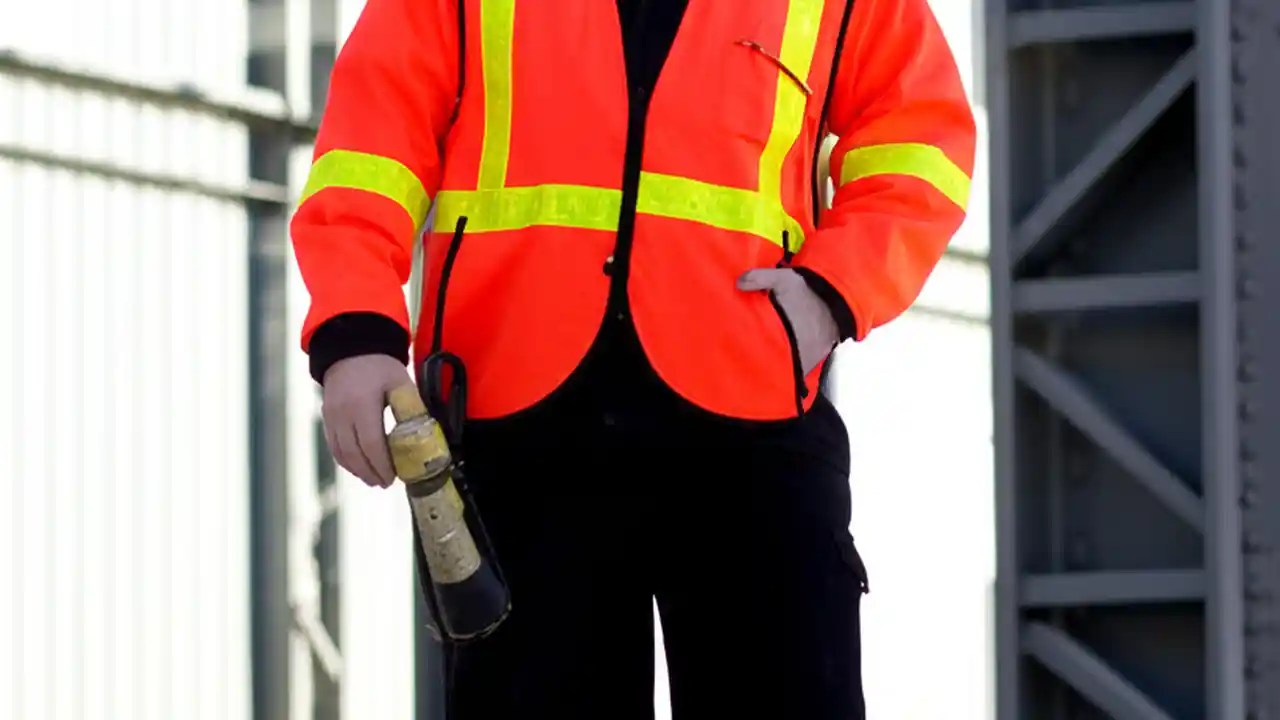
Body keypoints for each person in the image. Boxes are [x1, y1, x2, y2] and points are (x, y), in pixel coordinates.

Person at [292, 0, 975, 716]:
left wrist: (834, 291)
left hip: (751, 412)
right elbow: (374, 131)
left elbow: (919, 134)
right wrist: (356, 328)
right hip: (522, 423)